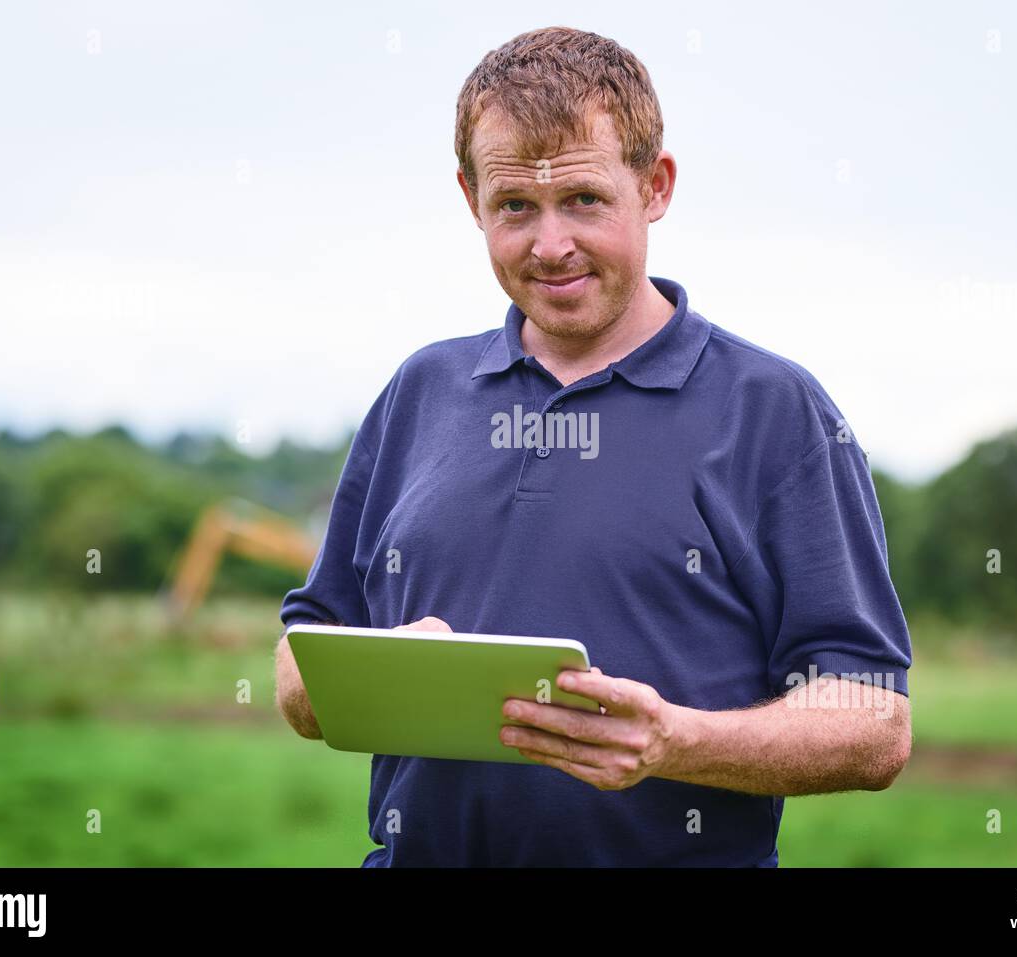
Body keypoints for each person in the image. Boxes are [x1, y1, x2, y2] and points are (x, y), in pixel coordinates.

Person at [276, 25, 912, 867]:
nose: (550, 246)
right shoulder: (418, 392)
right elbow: (301, 662)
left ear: (655, 186)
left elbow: (875, 722)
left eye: (582, 199)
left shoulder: (775, 412)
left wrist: (674, 741)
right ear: (472, 200)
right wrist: (376, 677)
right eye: (515, 207)